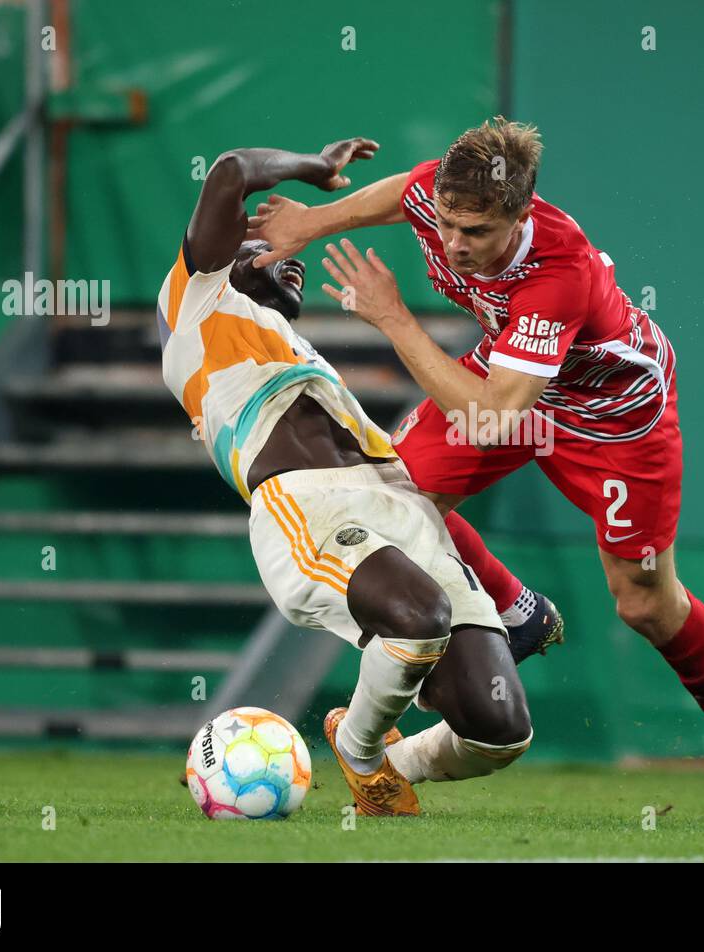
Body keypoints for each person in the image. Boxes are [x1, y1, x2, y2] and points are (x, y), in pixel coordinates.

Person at [248, 119, 704, 820]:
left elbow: (495, 414)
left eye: (476, 232)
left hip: (613, 421)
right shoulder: (439, 196)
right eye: (447, 224)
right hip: (515, 380)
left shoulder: (557, 274)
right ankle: (518, 612)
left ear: (520, 213)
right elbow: (395, 196)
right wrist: (310, 222)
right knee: (400, 496)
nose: (455, 244)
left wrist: (393, 317)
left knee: (644, 605)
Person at [159, 138, 532, 817]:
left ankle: (391, 763)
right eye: (263, 252)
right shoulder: (195, 303)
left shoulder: (291, 345)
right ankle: (361, 755)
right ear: (220, 259)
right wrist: (315, 172)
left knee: (500, 728)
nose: (288, 262)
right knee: (419, 618)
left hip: (398, 502)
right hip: (307, 507)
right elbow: (230, 173)